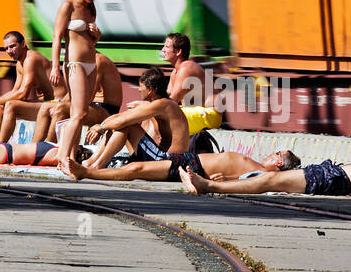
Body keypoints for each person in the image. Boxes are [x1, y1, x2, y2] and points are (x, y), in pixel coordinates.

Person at [180, 151, 351, 199]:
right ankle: (219, 183)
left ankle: (207, 187)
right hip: (335, 176)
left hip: (335, 178)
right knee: (271, 181)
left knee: (271, 181)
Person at [77, 67, 193, 171]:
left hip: (169, 160)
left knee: (126, 125)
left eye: (141, 87)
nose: (138, 90)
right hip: (159, 155)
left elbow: (122, 121)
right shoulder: (155, 104)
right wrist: (102, 125)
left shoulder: (163, 105)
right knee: (119, 124)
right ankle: (92, 161)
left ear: (150, 90)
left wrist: (101, 127)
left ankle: (97, 165)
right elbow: (120, 117)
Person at [52, 0, 102, 164]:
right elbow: (57, 38)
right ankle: (62, 157)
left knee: (79, 114)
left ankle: (72, 156)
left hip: (91, 63)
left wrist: (97, 35)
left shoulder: (92, 9)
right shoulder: (68, 6)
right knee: (79, 112)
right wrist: (55, 66)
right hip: (75, 64)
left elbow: (92, 41)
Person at [64, 148, 300, 185]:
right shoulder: (260, 170)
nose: (272, 152)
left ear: (279, 162)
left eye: (277, 153)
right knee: (138, 168)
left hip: (194, 166)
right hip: (192, 161)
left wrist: (222, 181)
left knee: (137, 169)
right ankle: (88, 171)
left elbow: (248, 183)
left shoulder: (264, 175)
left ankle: (87, 172)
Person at [0, 31, 55, 145]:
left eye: (12, 46)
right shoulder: (20, 63)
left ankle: (0, 147)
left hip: (58, 104)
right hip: (44, 105)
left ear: (23, 44)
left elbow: (23, 94)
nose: (9, 51)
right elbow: (15, 91)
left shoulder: (31, 59)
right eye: (6, 48)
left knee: (11, 105)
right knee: (0, 107)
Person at [35, 52, 122, 143]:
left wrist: (62, 105)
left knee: (61, 109)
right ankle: (34, 149)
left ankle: (49, 149)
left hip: (106, 111)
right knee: (46, 106)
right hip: (90, 106)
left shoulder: (98, 60)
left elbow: (88, 96)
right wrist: (60, 103)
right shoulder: (81, 62)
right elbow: (74, 93)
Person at [162, 32, 205, 104]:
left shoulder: (186, 69)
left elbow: (172, 101)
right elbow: (168, 95)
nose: (163, 50)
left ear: (178, 51)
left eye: (167, 47)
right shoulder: (175, 72)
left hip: (210, 112)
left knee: (160, 110)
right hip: (196, 111)